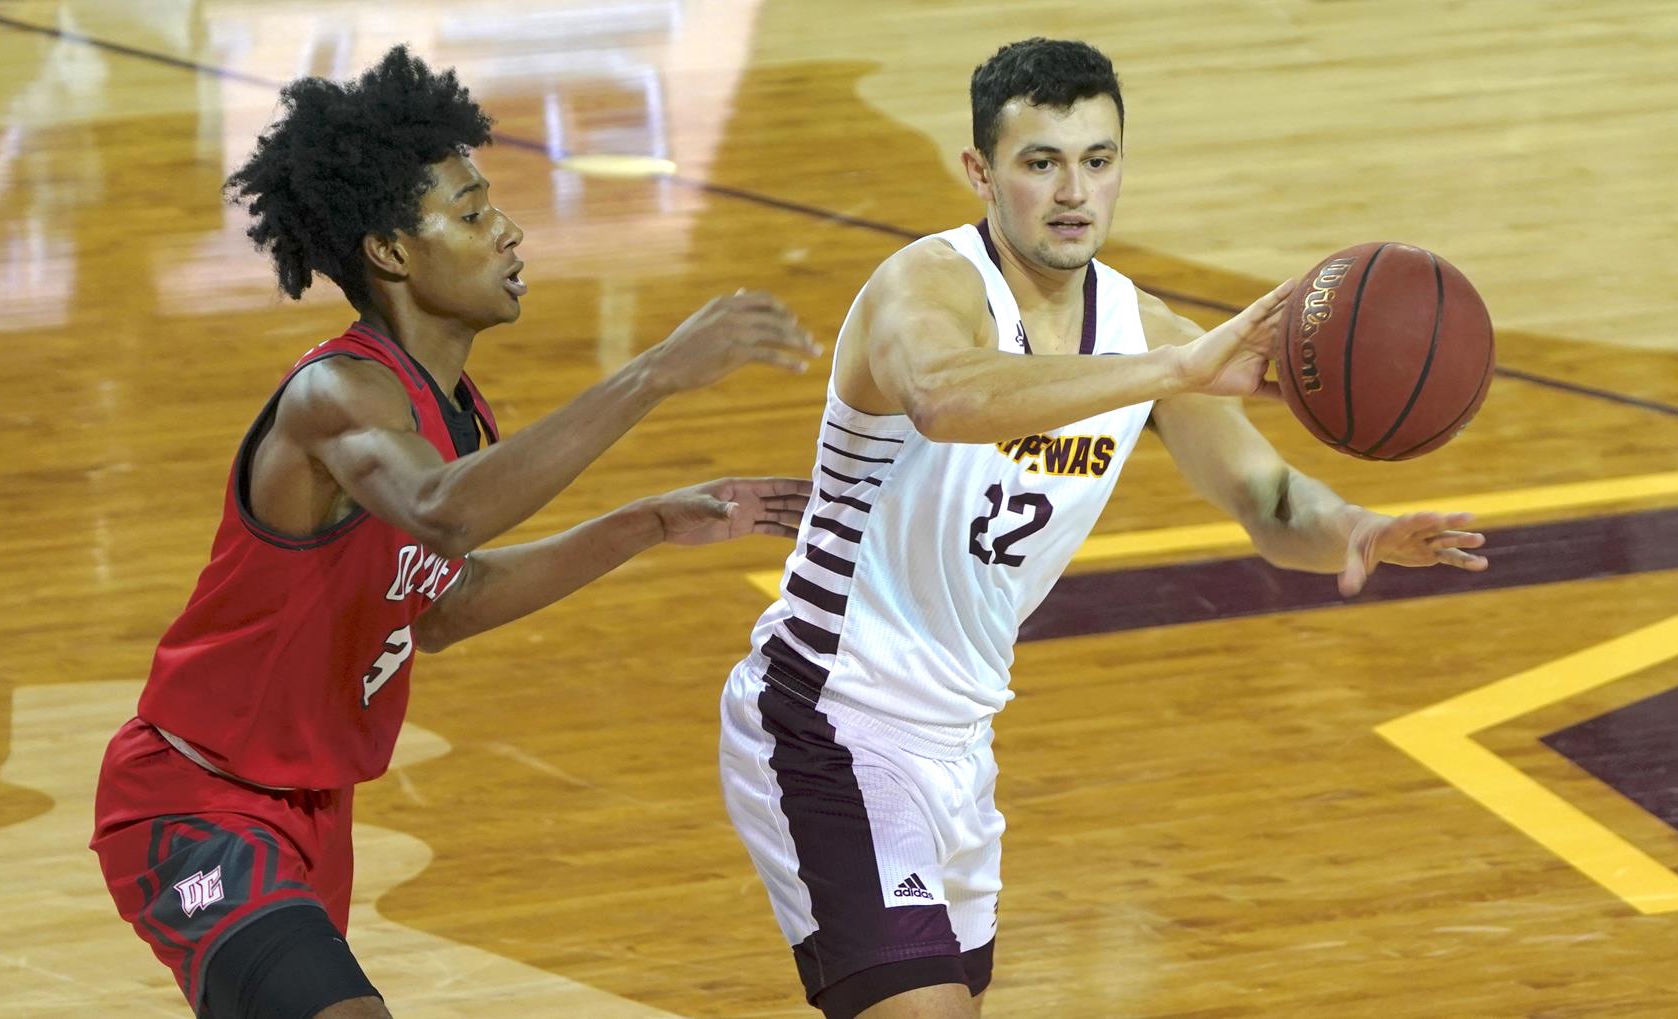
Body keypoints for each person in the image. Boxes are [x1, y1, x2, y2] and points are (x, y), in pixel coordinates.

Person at [717, 37, 1489, 1019]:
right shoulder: (927, 284)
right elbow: (943, 395)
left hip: (957, 740)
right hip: (825, 714)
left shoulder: (1146, 331)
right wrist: (1168, 371)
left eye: (1097, 159)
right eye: (1040, 162)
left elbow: (1265, 499)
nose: (1072, 190)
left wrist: (1355, 527)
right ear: (980, 173)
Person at [90, 46, 818, 1019]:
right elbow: (441, 510)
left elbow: (439, 603)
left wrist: (643, 521)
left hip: (317, 805)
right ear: (391, 249)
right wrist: (653, 373)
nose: (508, 232)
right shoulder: (333, 395)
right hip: (195, 800)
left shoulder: (454, 410)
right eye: (473, 215)